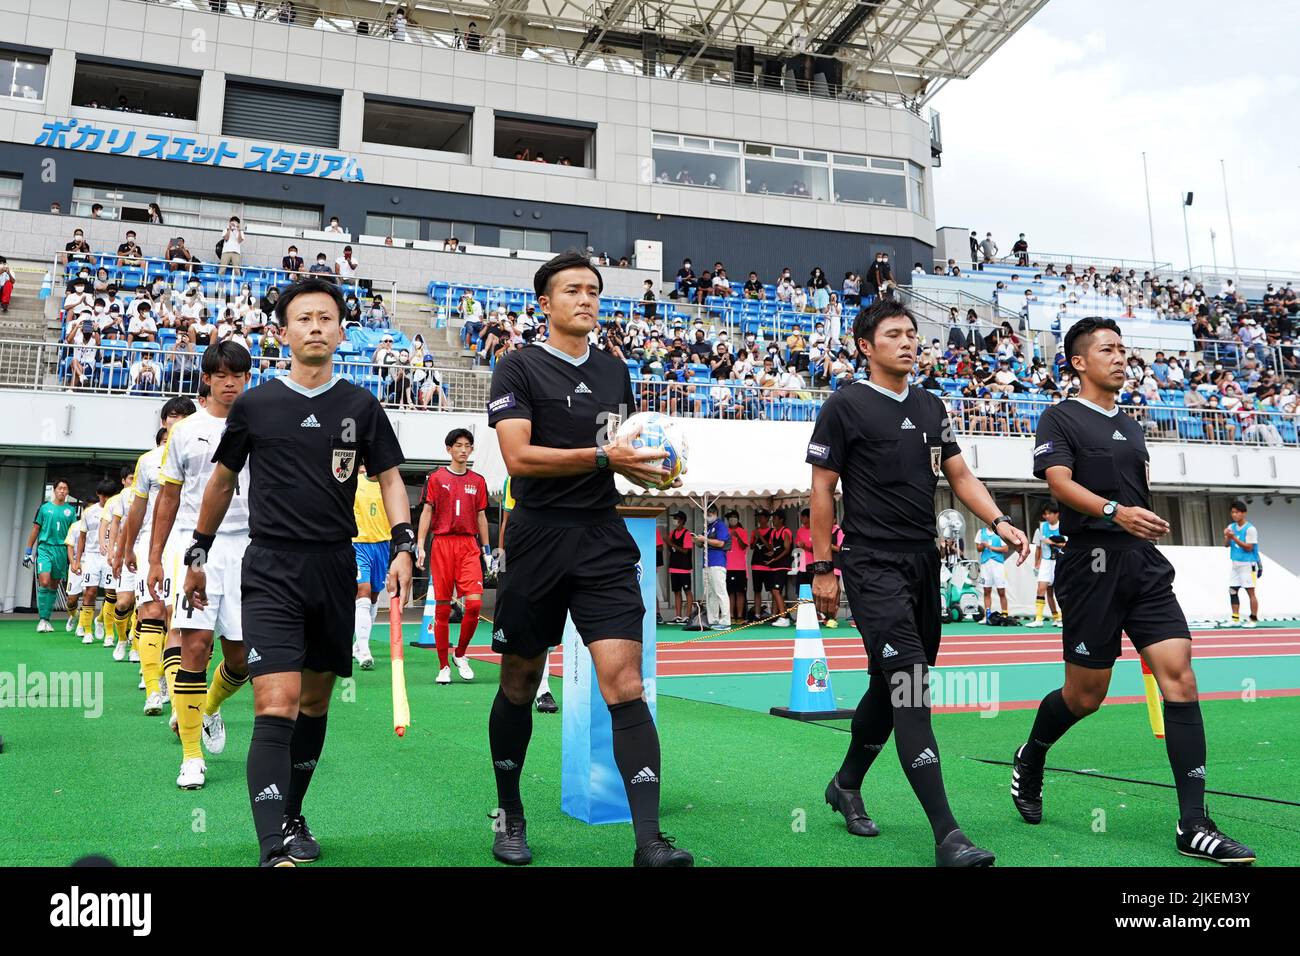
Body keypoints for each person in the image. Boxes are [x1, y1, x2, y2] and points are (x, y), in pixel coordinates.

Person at [183, 277, 412, 866]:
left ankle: (292, 813)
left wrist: (405, 545)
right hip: (272, 567)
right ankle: (271, 851)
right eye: (303, 318)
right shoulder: (256, 404)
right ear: (283, 332)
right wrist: (198, 549)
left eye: (325, 318)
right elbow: (223, 479)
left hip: (335, 566)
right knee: (275, 704)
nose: (315, 326)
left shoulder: (361, 404)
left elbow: (389, 479)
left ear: (340, 330)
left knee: (314, 705)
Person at [1015, 317, 1255, 864]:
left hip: (1143, 567)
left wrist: (1134, 524)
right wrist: (1113, 512)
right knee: (1085, 697)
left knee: (1182, 678)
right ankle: (1032, 754)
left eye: (1124, 349)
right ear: (1079, 361)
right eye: (1108, 349)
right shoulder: (1060, 417)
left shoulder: (1132, 426)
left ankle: (1193, 823)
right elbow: (1057, 482)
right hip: (1090, 566)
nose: (1121, 357)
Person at [486, 249, 693, 867]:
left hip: (602, 537)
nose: (586, 299)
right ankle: (509, 812)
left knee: (626, 684)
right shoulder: (516, 368)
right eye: (572, 289)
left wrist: (652, 475)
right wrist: (607, 460)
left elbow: (622, 452)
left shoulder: (613, 373)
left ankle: (649, 839)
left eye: (595, 291)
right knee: (520, 682)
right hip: (537, 537)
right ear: (545, 303)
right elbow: (519, 459)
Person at [808, 297, 1029, 867]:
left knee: (891, 685)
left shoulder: (932, 407)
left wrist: (1000, 522)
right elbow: (821, 491)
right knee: (910, 685)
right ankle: (948, 836)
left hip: (921, 564)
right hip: (869, 563)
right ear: (865, 346)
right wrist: (823, 567)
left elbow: (959, 474)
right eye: (895, 334)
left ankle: (846, 783)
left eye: (913, 333)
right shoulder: (844, 405)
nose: (909, 342)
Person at [149, 342, 254, 789]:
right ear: (207, 378)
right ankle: (191, 757)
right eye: (223, 375)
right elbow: (169, 497)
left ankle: (207, 708)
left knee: (244, 657)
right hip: (198, 547)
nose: (231, 383)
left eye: (240, 375)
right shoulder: (185, 430)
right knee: (194, 646)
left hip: (251, 548)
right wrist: (154, 558)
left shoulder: (261, 425)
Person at [115, 398, 196, 715]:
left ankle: (178, 698)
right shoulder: (147, 461)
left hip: (189, 541)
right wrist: (128, 547)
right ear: (164, 423)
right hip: (152, 542)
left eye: (184, 416)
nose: (177, 421)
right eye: (172, 416)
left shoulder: (205, 455)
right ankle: (153, 691)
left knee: (179, 620)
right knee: (150, 612)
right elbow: (137, 507)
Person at [414, 429, 491, 685]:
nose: (463, 450)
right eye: (458, 445)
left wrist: (487, 551)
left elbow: (481, 516)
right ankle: (443, 665)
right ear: (448, 449)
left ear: (471, 450)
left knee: (474, 604)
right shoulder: (435, 478)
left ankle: (460, 654)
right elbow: (427, 511)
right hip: (442, 544)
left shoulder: (478, 481)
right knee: (443, 608)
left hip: (469, 545)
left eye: (467, 445)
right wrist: (421, 545)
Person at [499, 475, 557, 713]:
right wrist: (500, 557)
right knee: (532, 627)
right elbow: (507, 519)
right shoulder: (513, 478)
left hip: (563, 554)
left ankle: (542, 686)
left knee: (553, 633)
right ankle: (542, 689)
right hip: (528, 556)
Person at [347, 464, 390, 671]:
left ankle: (358, 645)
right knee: (362, 593)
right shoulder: (356, 482)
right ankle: (364, 650)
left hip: (382, 545)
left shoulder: (389, 485)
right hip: (358, 544)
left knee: (373, 596)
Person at [23, 479, 79, 632]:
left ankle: (47, 619)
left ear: (68, 492)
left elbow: (74, 534)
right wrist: (28, 551)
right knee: (45, 581)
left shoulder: (71, 511)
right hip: (45, 548)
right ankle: (41, 619)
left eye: (65, 488)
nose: (62, 491)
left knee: (54, 585)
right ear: (54, 490)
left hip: (61, 550)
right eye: (59, 488)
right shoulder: (44, 508)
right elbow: (35, 528)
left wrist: (75, 557)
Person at [73, 479, 118, 644]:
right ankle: (87, 631)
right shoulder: (89, 512)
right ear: (99, 494)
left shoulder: (118, 509)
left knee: (111, 593)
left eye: (109, 496)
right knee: (90, 592)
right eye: (103, 496)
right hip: (92, 555)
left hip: (110, 555)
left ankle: (108, 633)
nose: (106, 499)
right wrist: (77, 561)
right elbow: (82, 538)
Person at [1028, 501, 1065, 627]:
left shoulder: (1063, 526)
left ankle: (1060, 618)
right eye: (1045, 514)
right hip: (1046, 561)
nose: (1047, 516)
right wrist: (1036, 563)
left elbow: (1067, 545)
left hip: (1059, 562)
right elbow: (1038, 547)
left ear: (1057, 514)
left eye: (1049, 514)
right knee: (1042, 589)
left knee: (1059, 591)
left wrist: (1051, 542)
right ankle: (1039, 619)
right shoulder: (1042, 527)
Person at [1224, 499, 1259, 628]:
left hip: (1248, 564)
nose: (1234, 515)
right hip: (1235, 563)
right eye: (1232, 512)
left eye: (1237, 512)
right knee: (1232, 590)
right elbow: (1226, 545)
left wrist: (1234, 538)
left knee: (1250, 592)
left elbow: (1249, 547)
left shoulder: (1250, 529)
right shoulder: (1230, 527)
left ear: (1244, 513)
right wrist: (1227, 537)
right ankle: (1235, 619)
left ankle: (1253, 619)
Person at [695, 504, 730, 630]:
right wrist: (698, 540)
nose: (706, 516)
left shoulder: (720, 525)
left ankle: (725, 621)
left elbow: (721, 543)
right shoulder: (708, 527)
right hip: (707, 563)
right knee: (710, 593)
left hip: (717, 562)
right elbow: (704, 543)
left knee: (720, 592)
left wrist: (705, 539)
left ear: (714, 512)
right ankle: (713, 619)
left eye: (708, 513)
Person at [974, 523, 1010, 622]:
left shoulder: (1000, 533)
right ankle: (987, 616)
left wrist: (990, 547)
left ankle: (1005, 615)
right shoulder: (981, 532)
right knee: (986, 591)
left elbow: (1006, 548)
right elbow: (978, 548)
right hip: (985, 564)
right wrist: (983, 545)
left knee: (1001, 591)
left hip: (998, 564)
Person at [666, 510, 694, 624]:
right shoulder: (672, 533)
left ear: (682, 520)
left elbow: (685, 551)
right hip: (674, 567)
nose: (674, 520)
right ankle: (678, 615)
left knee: (687, 591)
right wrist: (669, 544)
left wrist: (671, 543)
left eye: (676, 518)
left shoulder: (687, 534)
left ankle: (687, 615)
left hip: (684, 568)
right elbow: (671, 550)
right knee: (676, 592)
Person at [767, 510, 794, 623]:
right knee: (774, 591)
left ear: (781, 519)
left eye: (775, 518)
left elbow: (787, 549)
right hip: (774, 565)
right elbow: (774, 549)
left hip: (783, 565)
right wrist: (770, 555)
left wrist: (775, 558)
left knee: (776, 590)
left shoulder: (786, 531)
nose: (773, 520)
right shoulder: (773, 532)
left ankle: (784, 617)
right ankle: (775, 615)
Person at [723, 509, 750, 625]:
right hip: (727, 567)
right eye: (730, 517)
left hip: (740, 568)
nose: (732, 519)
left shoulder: (742, 531)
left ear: (738, 519)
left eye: (734, 517)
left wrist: (737, 536)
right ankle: (731, 616)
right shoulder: (724, 531)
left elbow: (744, 546)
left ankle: (739, 616)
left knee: (740, 592)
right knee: (730, 592)